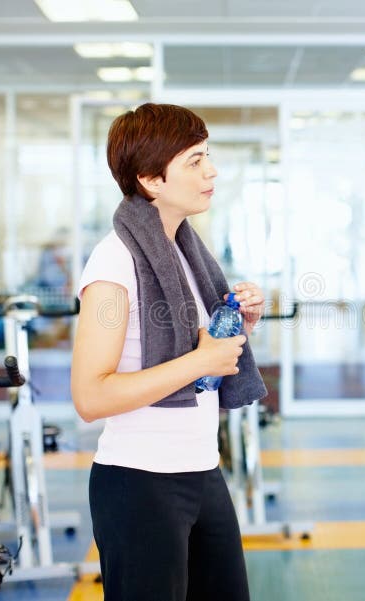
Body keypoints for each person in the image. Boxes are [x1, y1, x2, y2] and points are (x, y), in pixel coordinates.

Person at [71, 103, 267, 601]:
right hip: (139, 483)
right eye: (195, 161)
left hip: (201, 470)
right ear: (152, 179)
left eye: (208, 157)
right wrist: (200, 362)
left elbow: (198, 353)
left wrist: (238, 326)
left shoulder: (184, 249)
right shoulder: (114, 264)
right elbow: (90, 396)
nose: (212, 171)